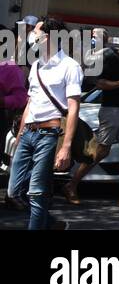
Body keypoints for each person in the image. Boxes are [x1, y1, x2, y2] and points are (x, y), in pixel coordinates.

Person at [9, 18, 82, 230]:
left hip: (49, 134)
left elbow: (73, 107)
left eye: (37, 31)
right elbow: (30, 103)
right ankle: (51, 225)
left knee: (37, 191)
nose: (33, 35)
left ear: (49, 36)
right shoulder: (36, 66)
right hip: (29, 133)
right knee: (14, 191)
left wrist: (66, 147)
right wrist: (20, 134)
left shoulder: (70, 66)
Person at [64, 29, 119, 210]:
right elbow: (100, 83)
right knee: (101, 151)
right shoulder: (111, 57)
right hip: (111, 111)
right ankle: (71, 185)